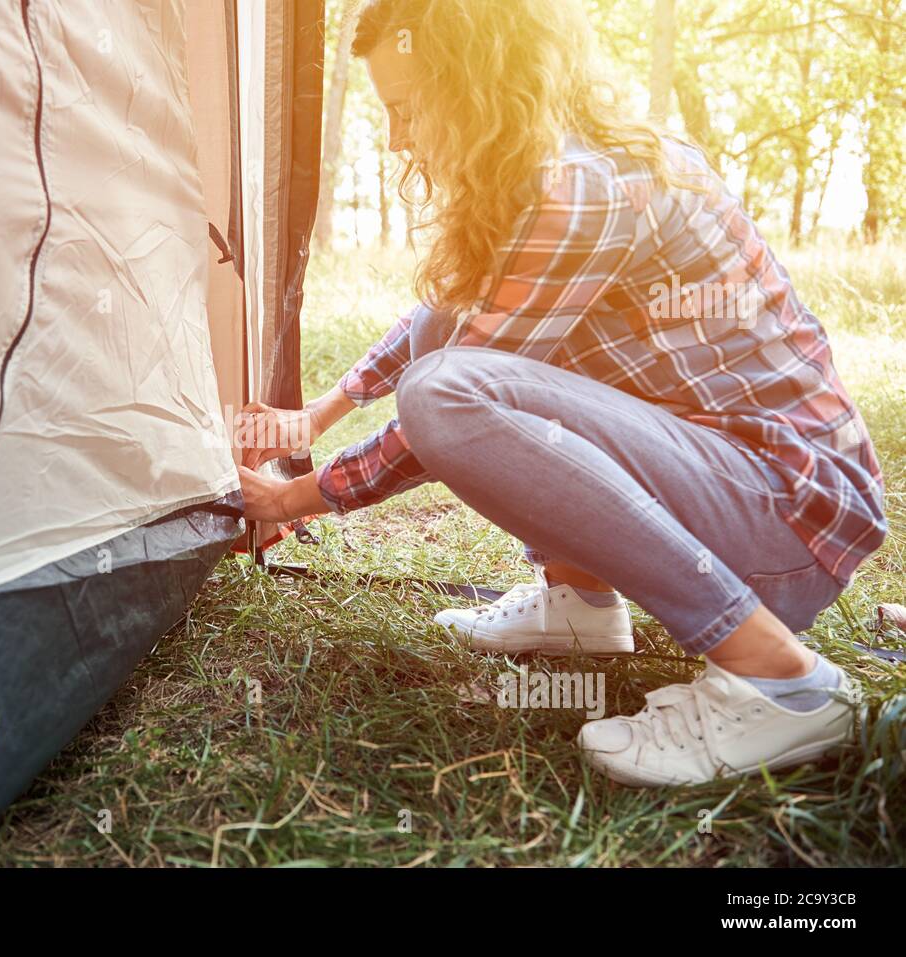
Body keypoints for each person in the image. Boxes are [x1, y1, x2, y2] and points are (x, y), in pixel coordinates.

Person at [235, 0, 886, 787]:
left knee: (443, 393)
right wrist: (320, 412)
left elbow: (449, 401)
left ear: (475, 85)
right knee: (450, 322)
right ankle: (578, 605)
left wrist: (290, 499)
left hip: (790, 520)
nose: (401, 137)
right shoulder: (562, 165)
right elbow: (443, 315)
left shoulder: (581, 187)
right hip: (744, 486)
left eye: (407, 109)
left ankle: (785, 683)